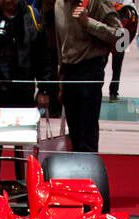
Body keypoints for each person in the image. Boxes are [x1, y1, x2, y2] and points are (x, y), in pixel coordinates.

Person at [0, 0, 53, 183]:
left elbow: (45, 56)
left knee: (24, 146)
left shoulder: (34, 16)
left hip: (24, 93)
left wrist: (44, 89)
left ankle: (27, 187)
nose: (9, 2)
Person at [45, 0, 125, 154]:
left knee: (87, 133)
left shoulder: (97, 2)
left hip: (90, 69)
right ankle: (77, 173)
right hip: (68, 72)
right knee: (74, 132)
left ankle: (89, 173)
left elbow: (120, 36)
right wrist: (61, 83)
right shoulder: (59, 5)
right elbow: (61, 45)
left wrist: (88, 23)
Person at [108, 3, 139, 101]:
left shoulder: (108, 5)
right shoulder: (129, 7)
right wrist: (127, 42)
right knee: (116, 69)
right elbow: (132, 30)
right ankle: (113, 93)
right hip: (120, 39)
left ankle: (98, 89)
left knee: (100, 66)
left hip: (108, 38)